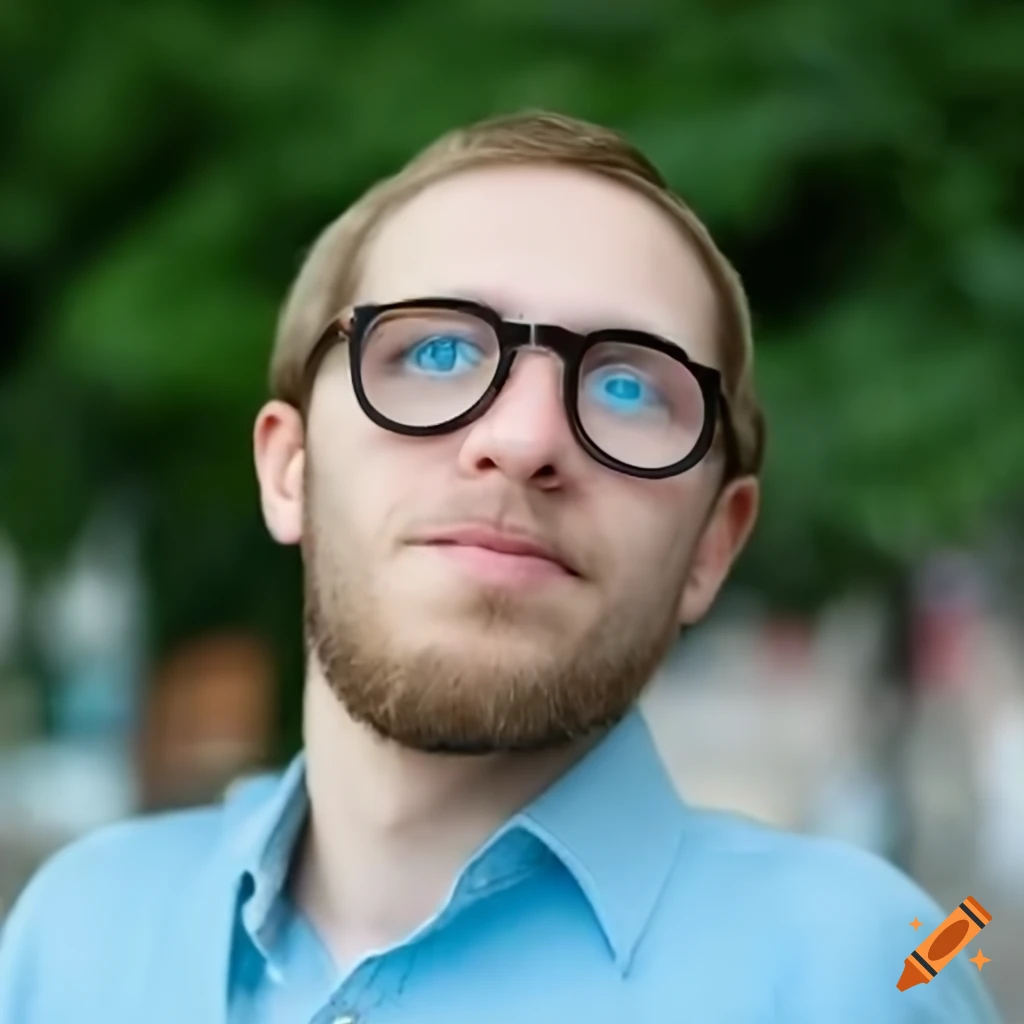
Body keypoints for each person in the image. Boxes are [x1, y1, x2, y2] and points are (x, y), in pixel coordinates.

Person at [0, 111, 1002, 1024]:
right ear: (290, 469)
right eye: (434, 353)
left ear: (712, 544)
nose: (523, 439)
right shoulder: (70, 938)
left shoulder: (871, 972)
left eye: (624, 385)